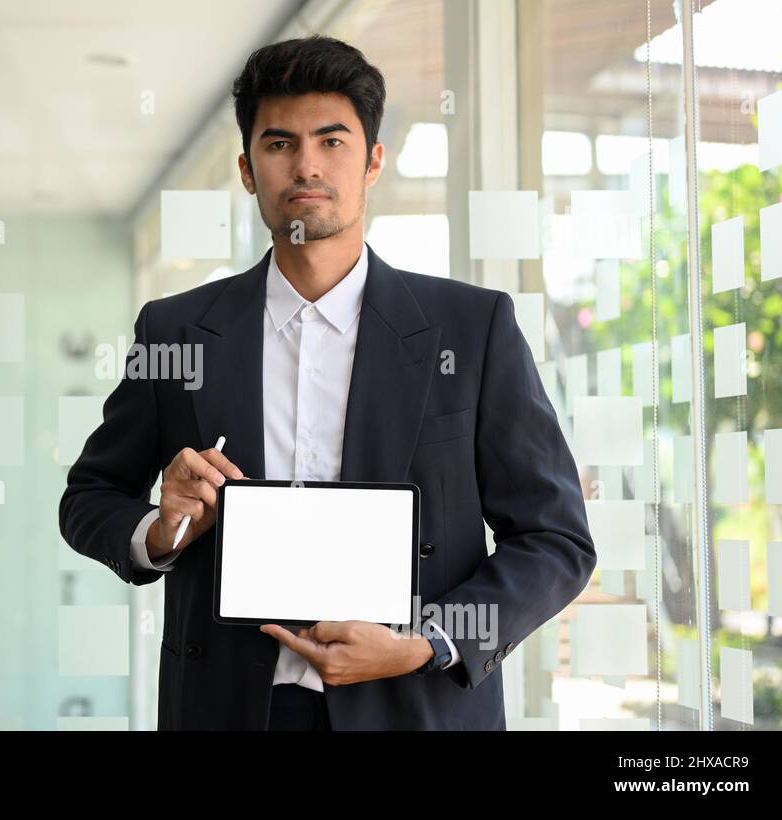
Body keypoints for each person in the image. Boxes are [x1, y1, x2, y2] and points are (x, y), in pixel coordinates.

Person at [58, 35, 596, 730]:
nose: (306, 165)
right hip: (227, 710)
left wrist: (428, 641)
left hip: (415, 707)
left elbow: (556, 540)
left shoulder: (473, 328)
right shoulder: (174, 331)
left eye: (332, 141)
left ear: (373, 161)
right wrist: (161, 532)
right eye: (280, 144)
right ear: (249, 171)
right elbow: (89, 498)